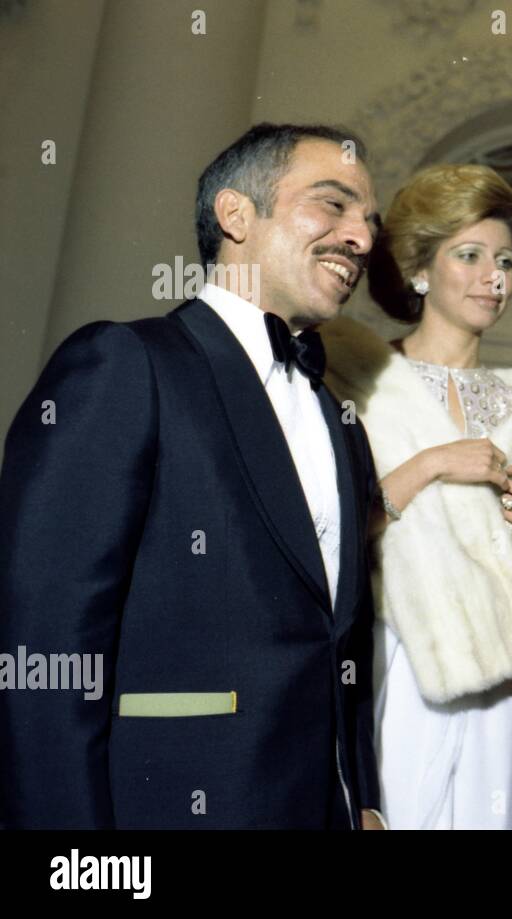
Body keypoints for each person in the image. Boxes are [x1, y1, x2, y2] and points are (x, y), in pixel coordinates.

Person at [0, 123, 385, 829]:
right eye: (333, 205)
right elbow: (43, 650)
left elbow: (343, 645)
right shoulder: (126, 365)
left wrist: (361, 796)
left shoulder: (339, 420)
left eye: (369, 220)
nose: (361, 237)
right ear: (235, 214)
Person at [320, 163, 512, 830]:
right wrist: (434, 463)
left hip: (502, 673)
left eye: (505, 260)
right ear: (419, 269)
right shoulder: (360, 378)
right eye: (469, 255)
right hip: (398, 654)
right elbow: (329, 525)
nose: (494, 275)